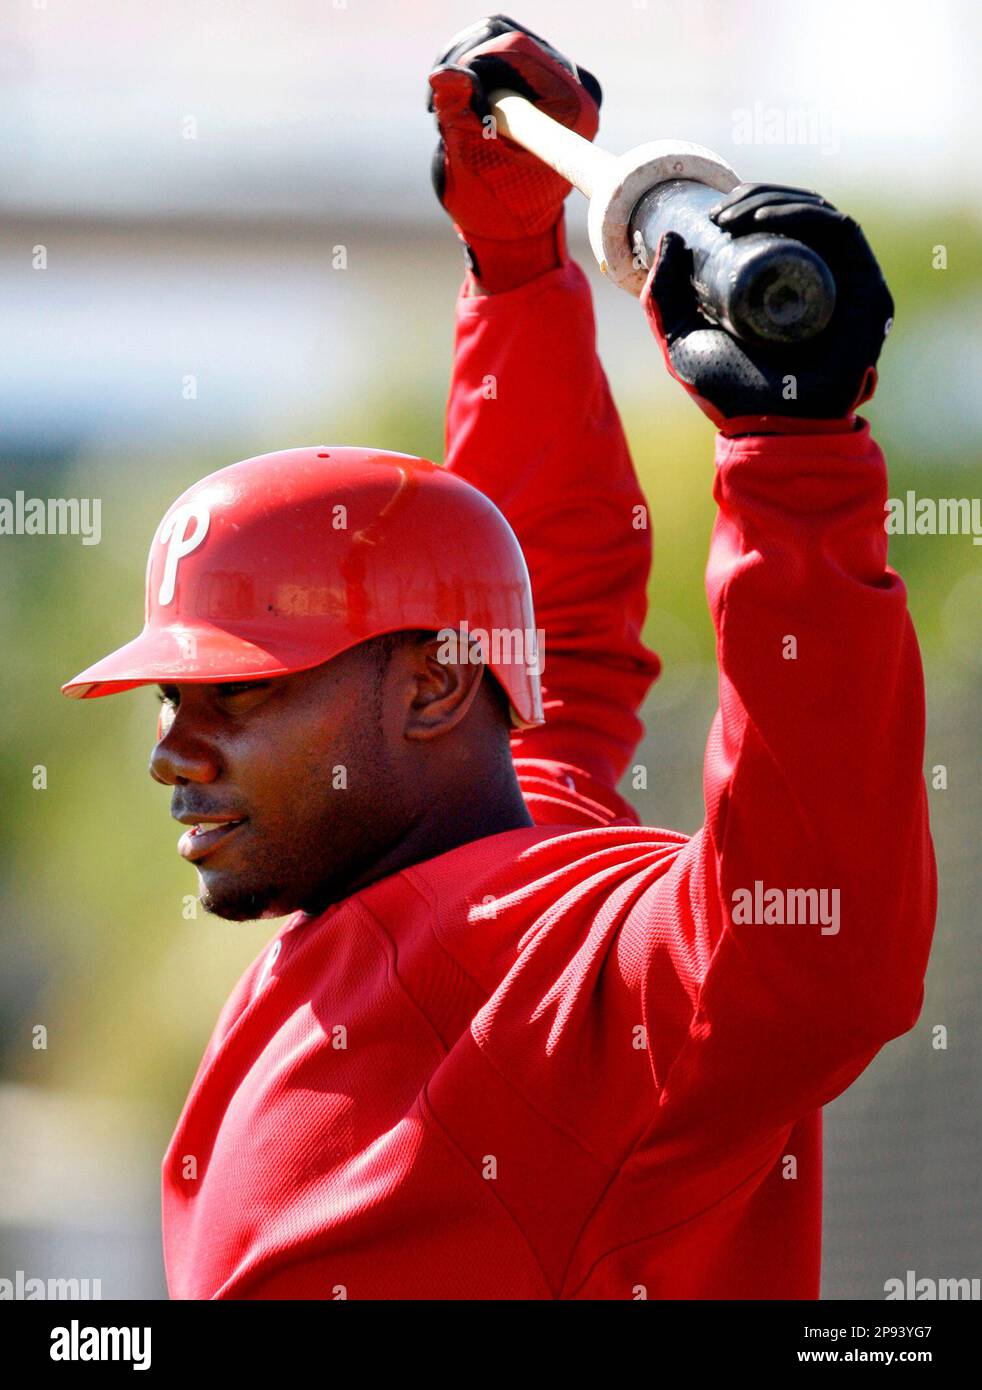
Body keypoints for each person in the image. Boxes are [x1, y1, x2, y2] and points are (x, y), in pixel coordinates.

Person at [62, 15, 936, 1299]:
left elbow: (816, 951)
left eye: (237, 690)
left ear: (429, 685)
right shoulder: (502, 818)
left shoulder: (564, 978)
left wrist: (795, 471)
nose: (170, 753)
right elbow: (548, 611)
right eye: (174, 696)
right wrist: (515, 262)